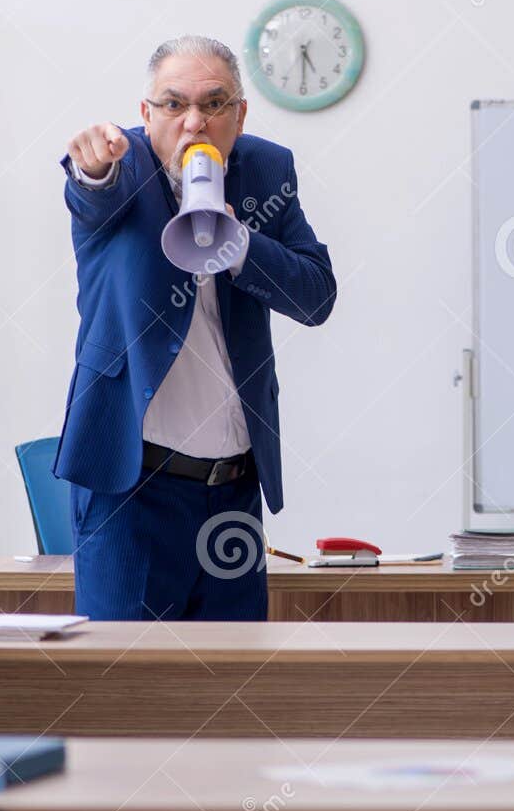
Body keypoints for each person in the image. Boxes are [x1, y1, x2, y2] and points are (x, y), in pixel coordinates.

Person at [53, 35, 337, 620]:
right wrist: (91, 170)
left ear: (239, 113)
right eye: (173, 104)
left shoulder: (265, 168)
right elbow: (89, 197)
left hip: (233, 486)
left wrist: (241, 244)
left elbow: (315, 297)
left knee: (233, 687)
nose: (193, 122)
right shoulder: (117, 165)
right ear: (145, 113)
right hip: (130, 486)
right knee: (126, 686)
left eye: (213, 103)